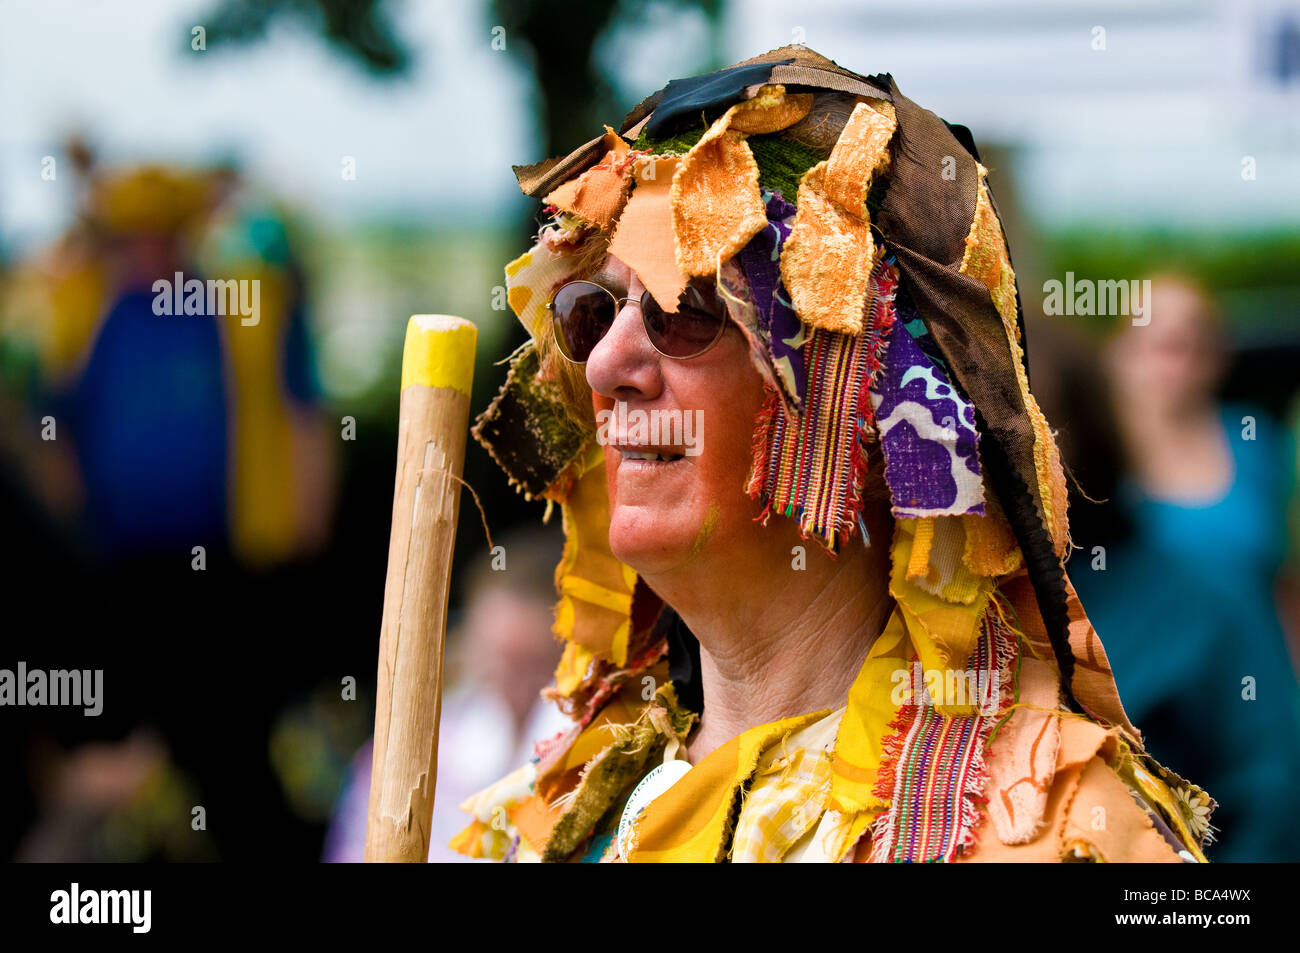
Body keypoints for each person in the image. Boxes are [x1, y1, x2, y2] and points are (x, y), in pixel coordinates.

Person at [451, 46, 1215, 863]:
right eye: (591, 311)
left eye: (687, 306)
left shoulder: (1052, 830)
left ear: (880, 414)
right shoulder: (538, 827)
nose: (606, 365)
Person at [1062, 274, 1300, 861]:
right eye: (1152, 342)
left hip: (1251, 675)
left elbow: (1285, 572)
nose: (1170, 361)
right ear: (1116, 354)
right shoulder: (1097, 460)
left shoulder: (1256, 442)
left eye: (1187, 342)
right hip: (1149, 693)